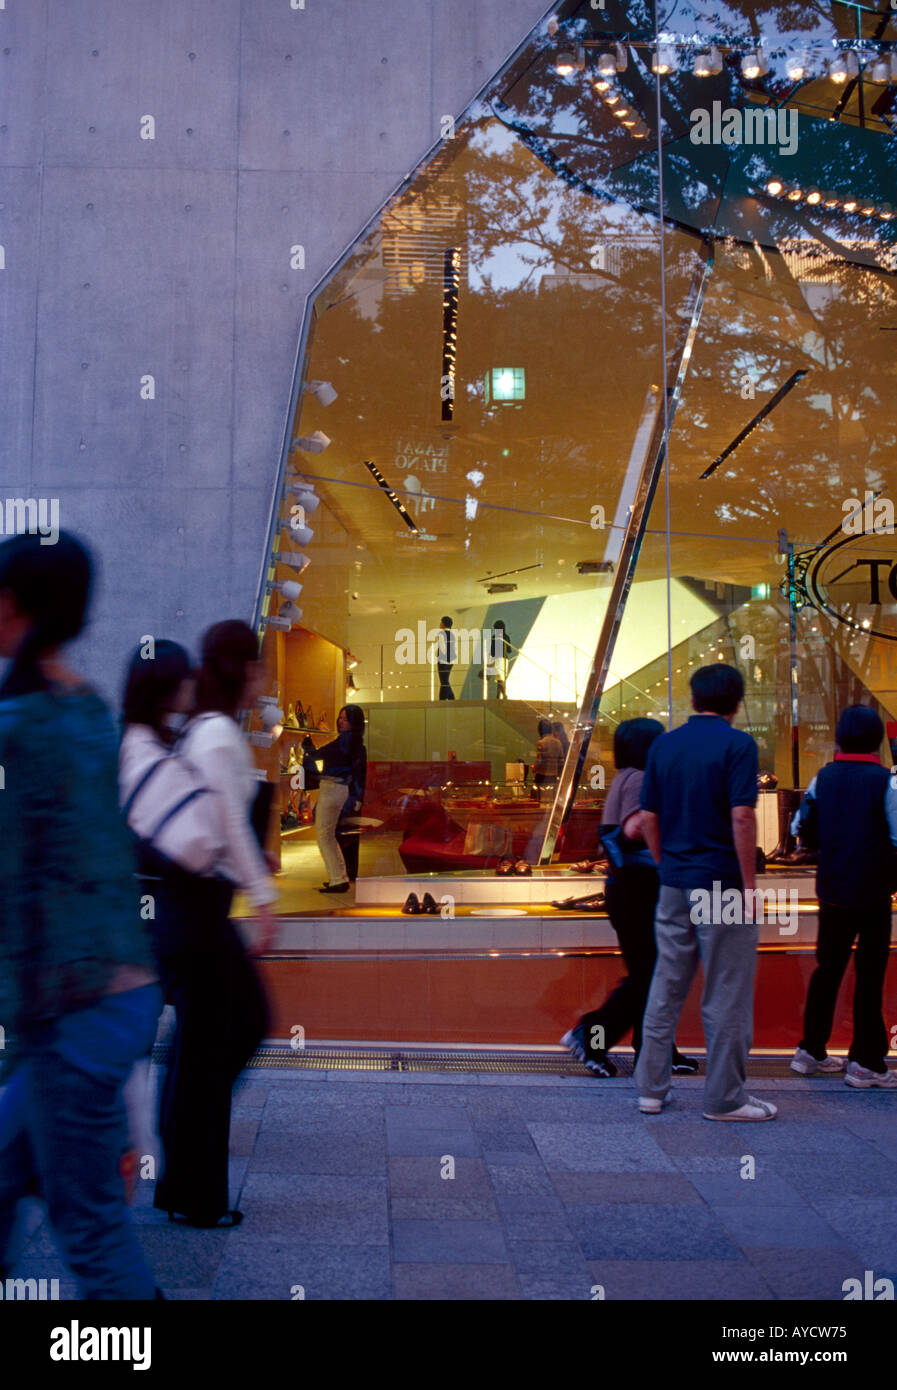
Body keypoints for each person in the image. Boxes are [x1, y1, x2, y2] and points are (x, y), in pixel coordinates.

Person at [0, 532, 162, 1298]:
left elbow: (15, 900)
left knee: (92, 1231)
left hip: (71, 1010)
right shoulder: (87, 707)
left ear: (11, 605)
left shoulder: (22, 728)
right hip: (115, 993)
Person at [145, 620, 275, 1227]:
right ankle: (192, 1191)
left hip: (184, 910)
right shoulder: (220, 735)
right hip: (201, 912)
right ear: (244, 671)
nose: (264, 679)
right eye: (259, 667)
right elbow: (228, 828)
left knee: (203, 1044)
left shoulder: (199, 729)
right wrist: (265, 897)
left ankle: (181, 1177)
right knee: (231, 1031)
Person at [633, 664, 776, 1121]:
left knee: (666, 985)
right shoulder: (738, 745)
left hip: (674, 882)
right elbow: (741, 817)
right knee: (726, 992)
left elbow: (648, 819)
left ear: (694, 699)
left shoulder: (664, 744)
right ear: (736, 702)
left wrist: (664, 863)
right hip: (721, 884)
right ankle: (724, 1098)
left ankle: (651, 1091)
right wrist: (749, 885)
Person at [561, 719, 696, 1078]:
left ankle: (657, 1050)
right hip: (640, 888)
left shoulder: (624, 777)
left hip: (628, 888)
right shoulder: (639, 779)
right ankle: (593, 1034)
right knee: (650, 975)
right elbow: (638, 825)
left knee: (650, 973)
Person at [790, 704, 897, 1088]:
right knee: (869, 975)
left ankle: (810, 1050)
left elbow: (799, 824)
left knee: (827, 969)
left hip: (832, 889)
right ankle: (866, 1062)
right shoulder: (888, 780)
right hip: (872, 892)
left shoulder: (824, 777)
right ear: (877, 741)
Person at [304, 704, 367, 894]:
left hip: (331, 790)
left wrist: (307, 746)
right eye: (340, 718)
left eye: (345, 718)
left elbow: (317, 756)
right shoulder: (357, 745)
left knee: (324, 836)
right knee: (328, 835)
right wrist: (357, 797)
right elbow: (360, 775)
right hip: (342, 791)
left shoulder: (342, 743)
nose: (341, 722)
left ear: (353, 722)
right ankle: (340, 877)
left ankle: (337, 879)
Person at [532, 717, 563, 794]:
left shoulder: (541, 742)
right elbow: (561, 760)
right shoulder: (558, 742)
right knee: (551, 796)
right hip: (553, 776)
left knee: (538, 796)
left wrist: (534, 768)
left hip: (542, 776)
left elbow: (539, 761)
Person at [488, 620, 511, 699]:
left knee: (499, 679)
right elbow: (509, 650)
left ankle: (504, 695)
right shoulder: (506, 637)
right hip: (505, 659)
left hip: (498, 659)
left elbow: (492, 651)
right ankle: (498, 696)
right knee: (501, 678)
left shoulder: (494, 637)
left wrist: (488, 661)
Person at [436, 616, 456, 701]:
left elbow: (443, 648)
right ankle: (447, 698)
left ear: (444, 624)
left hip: (443, 661)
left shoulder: (441, 634)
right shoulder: (452, 634)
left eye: (441, 622)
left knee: (444, 682)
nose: (440, 623)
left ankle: (446, 699)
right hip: (451, 661)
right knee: (445, 681)